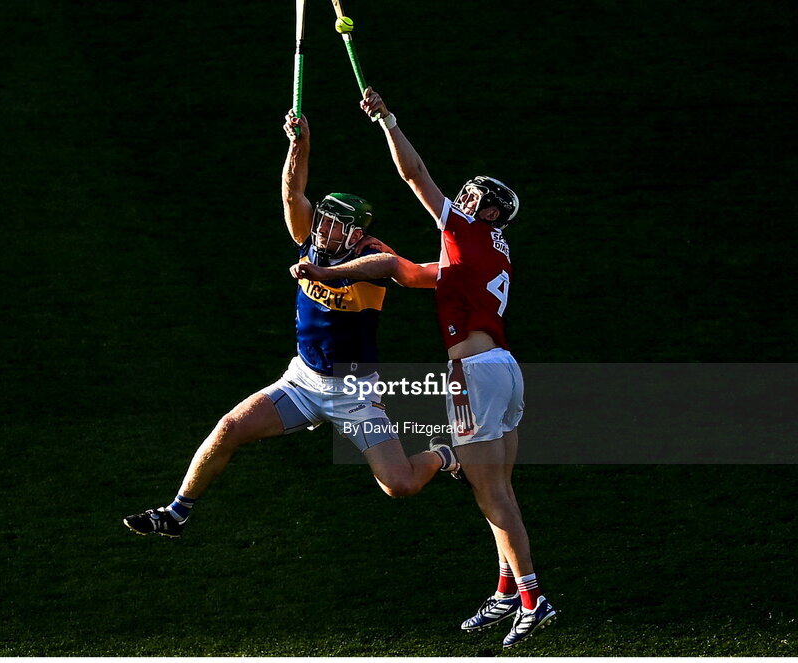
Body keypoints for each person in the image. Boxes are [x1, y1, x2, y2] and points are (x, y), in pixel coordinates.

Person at [295, 89, 556, 648]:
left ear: (489, 212)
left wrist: (387, 120)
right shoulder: (495, 248)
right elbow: (427, 274)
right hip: (505, 368)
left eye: (475, 197)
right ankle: (507, 590)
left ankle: (534, 597)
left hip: (474, 374)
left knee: (493, 496)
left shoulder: (463, 228)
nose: (464, 198)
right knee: (499, 486)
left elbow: (415, 174)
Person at [123, 110, 459, 539]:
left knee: (400, 485)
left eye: (335, 226)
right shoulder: (309, 238)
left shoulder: (372, 257)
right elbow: (291, 192)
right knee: (228, 428)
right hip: (302, 380)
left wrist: (325, 275)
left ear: (356, 235)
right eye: (323, 220)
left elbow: (393, 266)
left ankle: (445, 456)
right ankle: (177, 512)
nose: (324, 229)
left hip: (354, 394)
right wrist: (298, 143)